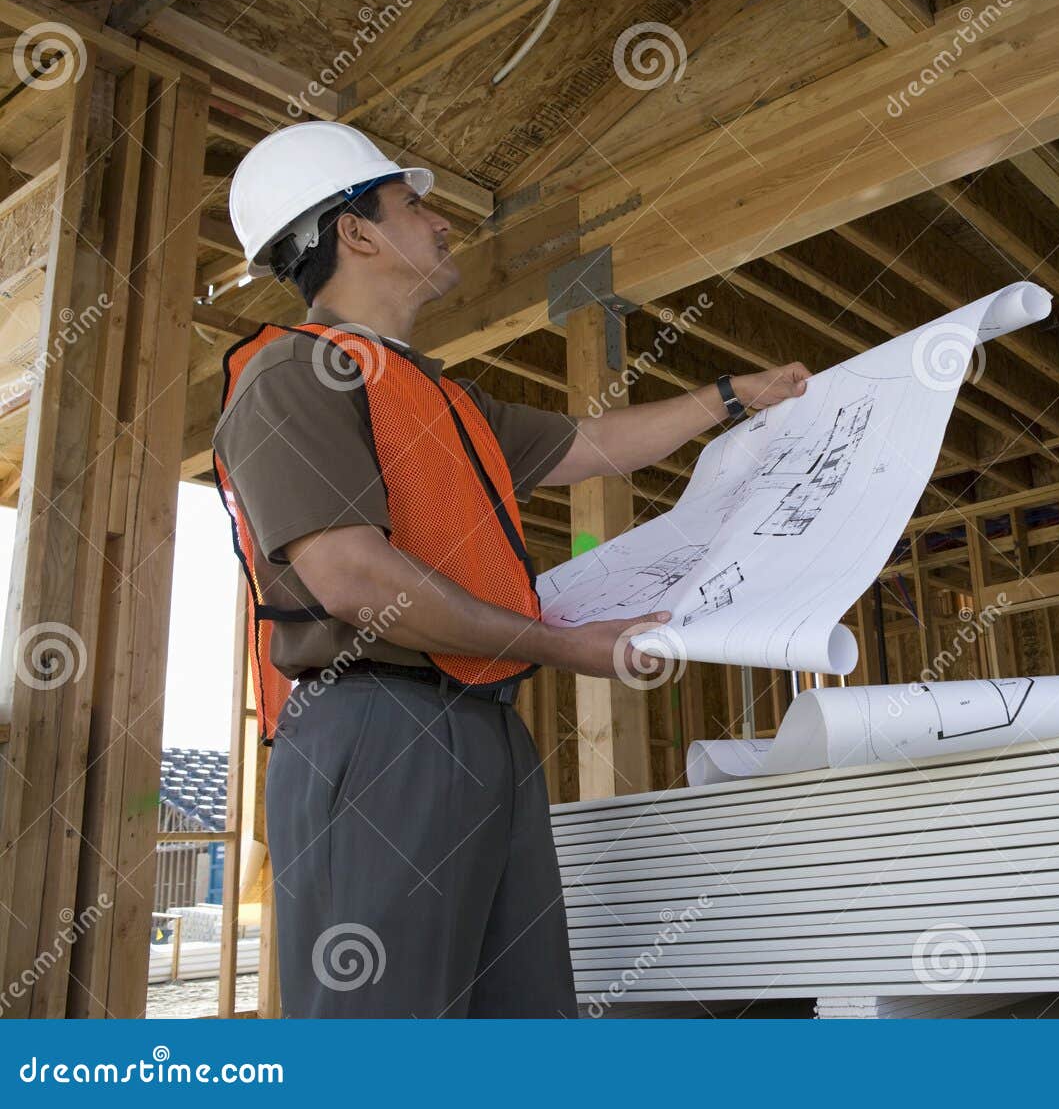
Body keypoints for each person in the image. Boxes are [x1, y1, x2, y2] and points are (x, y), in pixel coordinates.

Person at [213, 122, 807, 1017]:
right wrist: (570, 648)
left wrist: (729, 397)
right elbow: (356, 583)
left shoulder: (442, 397)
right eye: (415, 205)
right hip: (378, 732)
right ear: (356, 232)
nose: (445, 223)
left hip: (485, 727)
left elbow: (591, 444)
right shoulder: (292, 377)